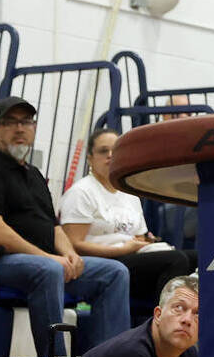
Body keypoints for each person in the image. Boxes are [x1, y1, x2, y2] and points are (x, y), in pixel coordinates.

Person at [0, 96, 130, 356]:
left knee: (115, 272)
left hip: (43, 263)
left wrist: (70, 254)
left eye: (26, 122)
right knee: (48, 270)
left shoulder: (35, 175)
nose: (20, 129)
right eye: (10, 122)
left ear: (34, 128)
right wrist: (49, 257)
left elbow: (54, 227)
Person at [60, 128, 197, 305]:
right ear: (90, 158)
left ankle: (193, 315)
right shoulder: (81, 192)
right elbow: (74, 244)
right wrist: (122, 249)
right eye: (103, 151)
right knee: (176, 260)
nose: (110, 155)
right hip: (102, 261)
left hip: (131, 256)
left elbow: (138, 237)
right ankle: (163, 318)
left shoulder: (128, 193)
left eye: (115, 151)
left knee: (196, 258)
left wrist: (142, 244)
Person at [74, 275, 199, 357]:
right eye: (179, 308)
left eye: (198, 314)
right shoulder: (131, 353)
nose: (187, 320)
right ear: (158, 315)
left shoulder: (189, 356)